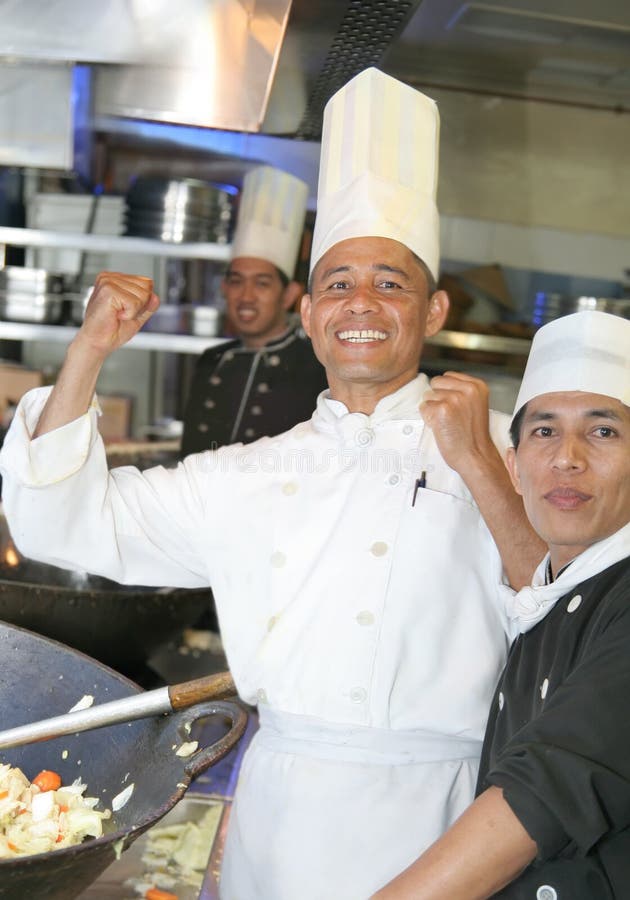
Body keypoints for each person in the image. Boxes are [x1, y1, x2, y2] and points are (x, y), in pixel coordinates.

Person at [0, 68, 544, 899]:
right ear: (311, 315)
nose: (361, 301)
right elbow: (62, 526)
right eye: (337, 283)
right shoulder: (247, 475)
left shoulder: (515, 448)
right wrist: (88, 352)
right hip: (279, 818)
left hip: (448, 816)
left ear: (434, 312)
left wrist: (481, 471)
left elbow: (577, 611)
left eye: (390, 282)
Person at [372, 309, 630, 900]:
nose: (567, 458)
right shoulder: (553, 592)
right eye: (543, 431)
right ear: (514, 468)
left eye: (603, 431)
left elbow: (544, 791)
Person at [180, 165, 327, 454]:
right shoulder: (212, 360)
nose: (245, 296)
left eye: (262, 284)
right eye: (236, 281)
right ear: (224, 288)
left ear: (289, 295)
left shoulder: (316, 366)